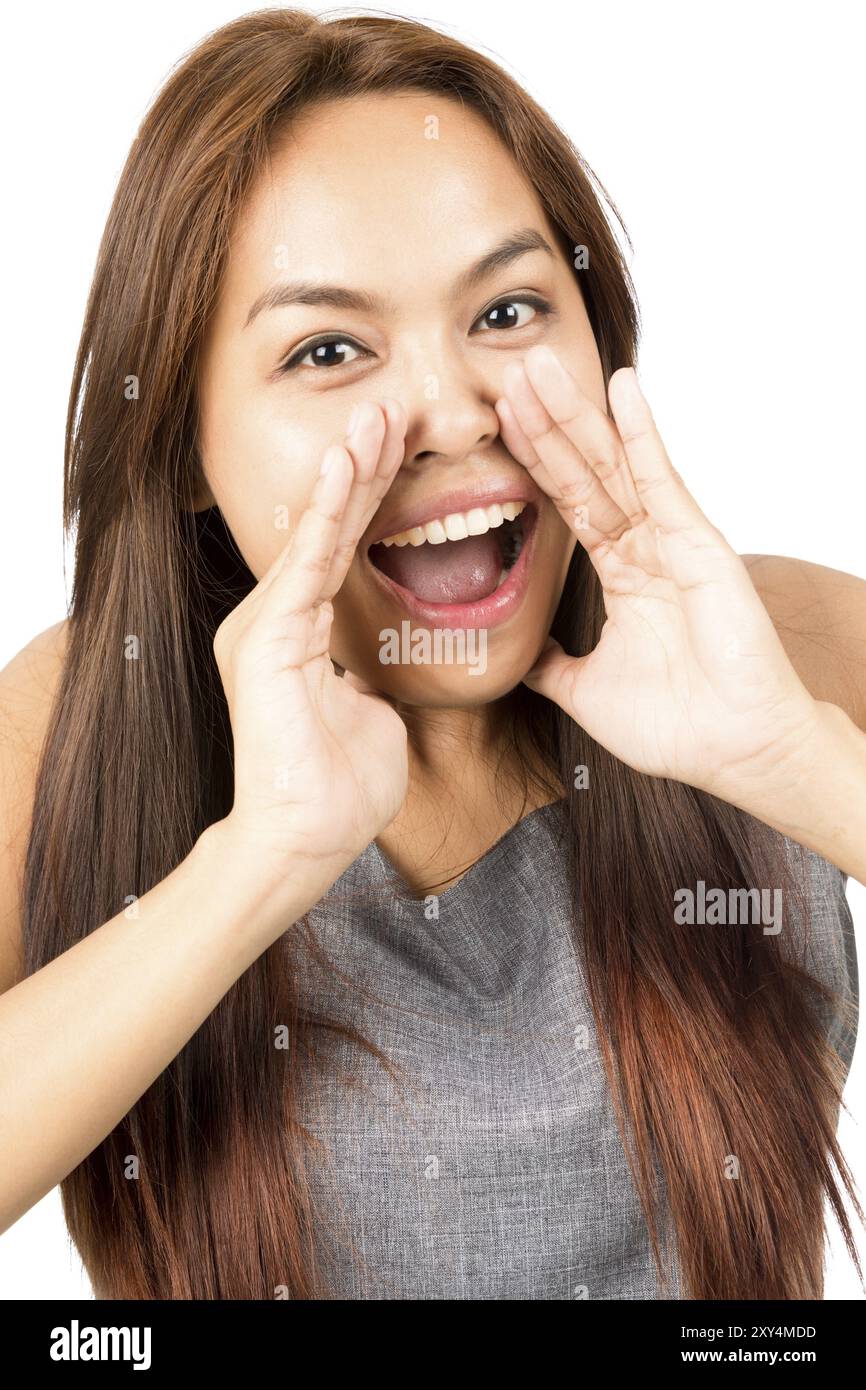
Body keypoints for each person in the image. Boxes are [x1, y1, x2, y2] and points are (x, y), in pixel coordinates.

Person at [1, 7, 863, 1300]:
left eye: (507, 309)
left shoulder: (771, 641)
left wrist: (797, 764)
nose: (454, 410)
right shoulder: (80, 715)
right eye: (327, 349)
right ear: (183, 444)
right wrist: (248, 867)